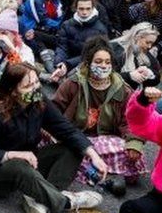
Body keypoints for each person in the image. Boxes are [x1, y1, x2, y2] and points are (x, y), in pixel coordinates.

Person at [0, 62, 107, 213]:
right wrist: (12, 154)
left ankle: (41, 198)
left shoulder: (37, 101)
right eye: (28, 86)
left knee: (74, 146)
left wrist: (93, 154)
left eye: (36, 82)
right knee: (20, 166)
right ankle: (66, 202)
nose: (35, 89)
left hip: (29, 161)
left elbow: (66, 129)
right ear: (12, 91)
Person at [52, 37, 147, 196]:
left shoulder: (122, 89)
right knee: (68, 149)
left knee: (132, 153)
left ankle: (94, 172)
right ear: (88, 63)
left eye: (107, 62)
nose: (103, 66)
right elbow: (54, 111)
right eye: (98, 61)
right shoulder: (74, 83)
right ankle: (104, 175)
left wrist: (134, 143)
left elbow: (131, 120)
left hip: (107, 140)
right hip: (76, 138)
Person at [52, 0, 110, 82]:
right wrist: (60, 63)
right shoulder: (67, 25)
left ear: (92, 8)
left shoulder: (100, 29)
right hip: (67, 61)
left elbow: (92, 54)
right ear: (76, 9)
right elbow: (62, 46)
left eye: (88, 9)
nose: (84, 12)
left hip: (87, 64)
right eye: (81, 9)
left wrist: (68, 64)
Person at [110, 22, 160, 89]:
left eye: (152, 43)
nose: (149, 46)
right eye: (147, 42)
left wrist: (149, 73)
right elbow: (106, 77)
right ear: (137, 37)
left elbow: (156, 78)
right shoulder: (117, 51)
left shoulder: (145, 53)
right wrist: (129, 76)